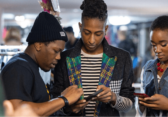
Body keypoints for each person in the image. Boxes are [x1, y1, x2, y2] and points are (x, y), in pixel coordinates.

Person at [52, 0, 135, 117]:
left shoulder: (122, 58)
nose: (91, 40)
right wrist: (68, 108)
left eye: (98, 34)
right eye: (86, 32)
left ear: (106, 30)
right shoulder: (64, 59)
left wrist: (113, 98)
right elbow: (54, 102)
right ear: (80, 27)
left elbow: (129, 105)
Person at [1, 12, 83, 117]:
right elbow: (18, 111)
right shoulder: (18, 67)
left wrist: (66, 107)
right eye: (55, 51)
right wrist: (63, 99)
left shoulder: (30, 66)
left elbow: (40, 108)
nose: (58, 57)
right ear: (39, 45)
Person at [136, 16, 168, 117]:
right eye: (153, 45)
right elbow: (140, 113)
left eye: (163, 44)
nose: (157, 50)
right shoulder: (147, 68)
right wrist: (141, 105)